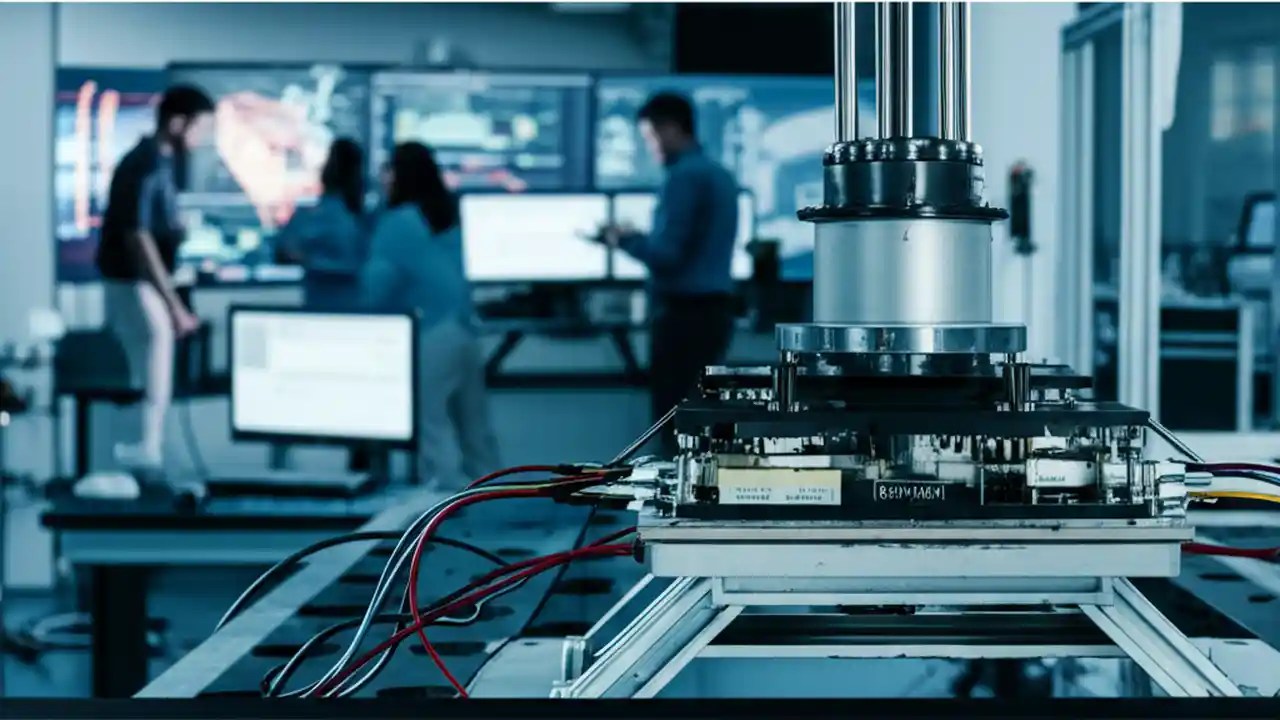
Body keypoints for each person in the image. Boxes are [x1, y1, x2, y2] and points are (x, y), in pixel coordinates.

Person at [599, 92, 739, 455]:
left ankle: (671, 510)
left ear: (670, 128)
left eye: (650, 137)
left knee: (674, 426)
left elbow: (666, 255)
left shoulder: (684, 177)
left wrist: (622, 240)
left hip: (682, 317)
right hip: (714, 314)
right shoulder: (719, 175)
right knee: (697, 422)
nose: (651, 148)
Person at [360, 142, 500, 489]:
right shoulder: (448, 213)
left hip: (432, 333)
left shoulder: (398, 222)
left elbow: (374, 289)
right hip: (465, 330)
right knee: (475, 429)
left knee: (431, 427)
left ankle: (442, 508)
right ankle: (493, 503)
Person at [96, 85, 215, 471]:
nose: (202, 139)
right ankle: (140, 452)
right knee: (153, 352)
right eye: (199, 128)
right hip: (132, 283)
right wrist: (174, 305)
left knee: (152, 363)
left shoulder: (160, 165)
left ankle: (146, 450)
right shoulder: (143, 164)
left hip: (142, 284)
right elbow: (138, 237)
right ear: (177, 122)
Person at [274, 138, 373, 472]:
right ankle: (364, 469)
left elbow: (282, 250)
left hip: (315, 320)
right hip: (358, 323)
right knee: (362, 401)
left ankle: (282, 466)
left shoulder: (309, 214)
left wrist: (311, 258)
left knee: (299, 394)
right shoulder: (365, 219)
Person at [275, 138, 369, 311]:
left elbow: (283, 251)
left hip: (315, 310)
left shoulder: (305, 218)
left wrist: (308, 260)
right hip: (355, 313)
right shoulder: (365, 223)